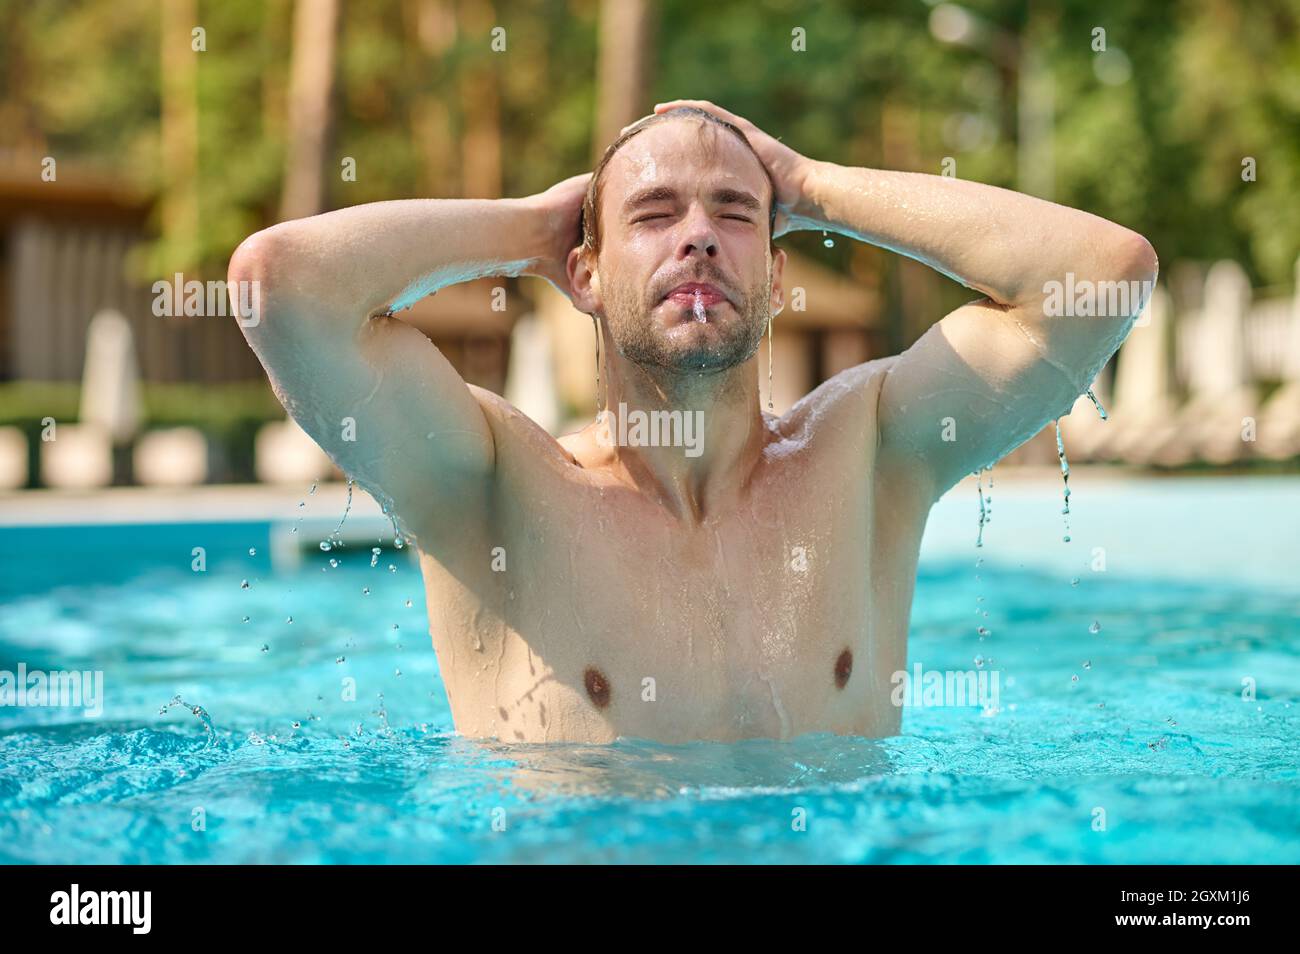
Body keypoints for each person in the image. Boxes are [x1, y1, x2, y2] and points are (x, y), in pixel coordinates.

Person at [228, 100, 1157, 743]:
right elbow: (280, 286)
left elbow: (1106, 274)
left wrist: (816, 183)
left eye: (739, 213)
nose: (699, 235)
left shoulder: (869, 453)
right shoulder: (493, 484)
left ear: (778, 277)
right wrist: (532, 227)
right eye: (654, 212)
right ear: (585, 274)